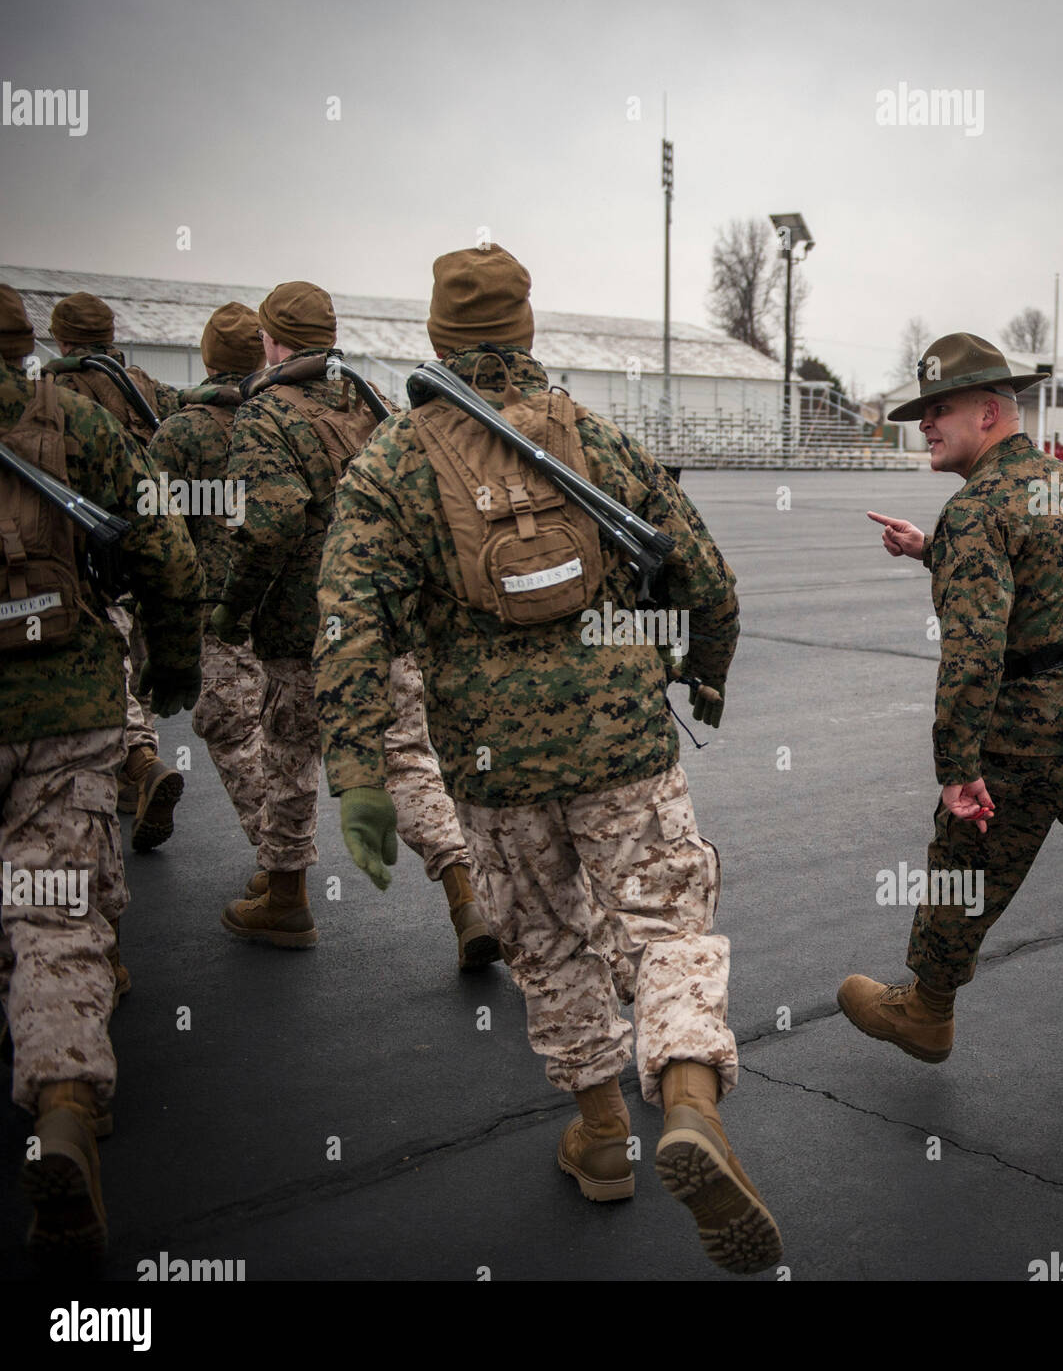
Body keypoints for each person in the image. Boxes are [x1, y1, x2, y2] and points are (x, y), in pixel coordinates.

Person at [313, 243, 781, 1273]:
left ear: (436, 337)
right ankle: (692, 1100)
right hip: (620, 737)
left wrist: (356, 774)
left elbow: (350, 626)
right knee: (665, 925)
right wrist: (703, 676)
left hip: (490, 767)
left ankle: (603, 1133)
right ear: (527, 330)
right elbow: (708, 574)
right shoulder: (594, 441)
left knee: (549, 946)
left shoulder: (391, 464)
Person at [838, 331, 1063, 1166]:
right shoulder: (1060, 479)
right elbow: (1048, 586)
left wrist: (957, 770)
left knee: (965, 855)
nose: (926, 423)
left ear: (989, 412)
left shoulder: (975, 510)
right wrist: (938, 554)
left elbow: (972, 655)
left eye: (940, 410)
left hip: (1035, 724)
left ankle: (927, 1010)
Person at [0, 284, 202, 1256]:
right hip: (69, 696)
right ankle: (67, 1102)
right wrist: (172, 672)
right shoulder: (83, 417)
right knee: (54, 902)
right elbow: (166, 550)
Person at [212, 283, 493, 963]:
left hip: (303, 630)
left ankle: (285, 900)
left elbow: (266, 526)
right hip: (383, 624)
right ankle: (467, 898)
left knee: (289, 760)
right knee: (405, 760)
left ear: (273, 342)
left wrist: (232, 612)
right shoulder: (375, 402)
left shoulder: (266, 415)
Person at [44, 291, 185, 850]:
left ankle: (140, 762)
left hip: (85, 556)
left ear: (60, 340)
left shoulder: (55, 395)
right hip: (149, 548)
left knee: (115, 660)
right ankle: (138, 775)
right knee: (141, 661)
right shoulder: (144, 387)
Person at [147, 304, 268, 857]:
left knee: (230, 727)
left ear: (207, 357)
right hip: (288, 608)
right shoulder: (282, 420)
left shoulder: (180, 433)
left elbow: (157, 538)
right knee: (282, 734)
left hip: (216, 613)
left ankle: (280, 858)